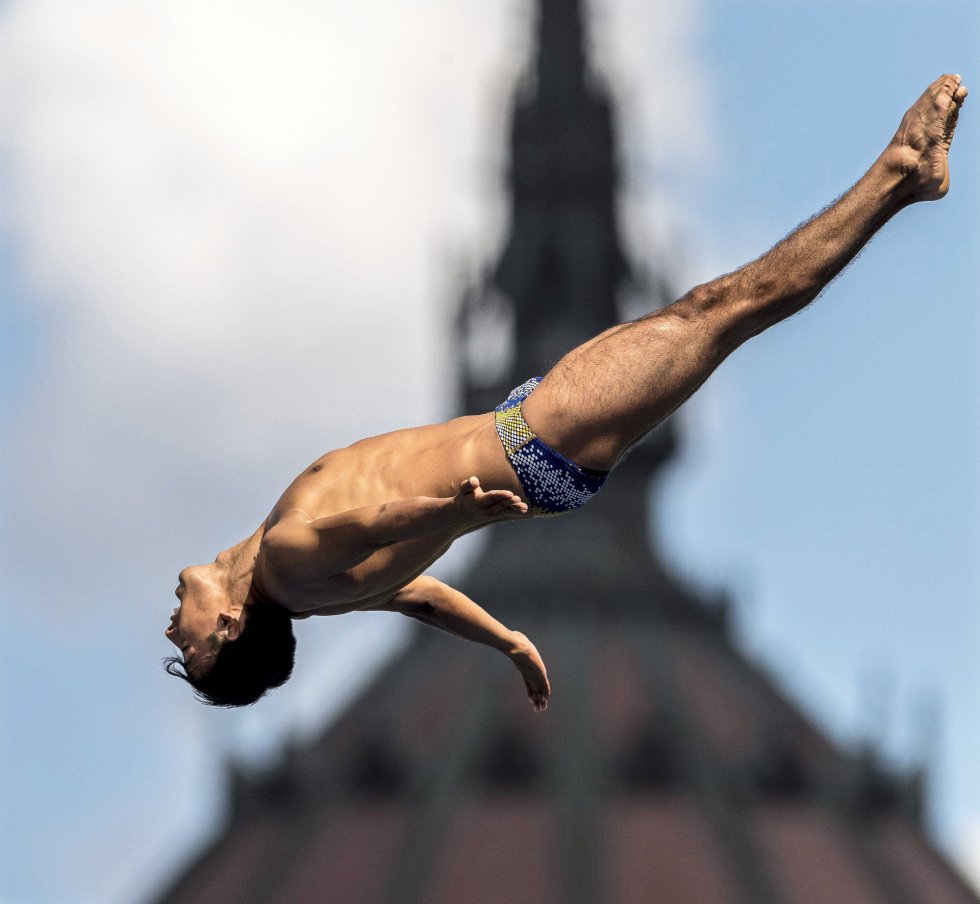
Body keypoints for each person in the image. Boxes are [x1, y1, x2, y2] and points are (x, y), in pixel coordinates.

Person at [165, 74, 968, 711]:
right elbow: (378, 519)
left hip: (524, 435)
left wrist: (507, 641)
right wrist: (462, 506)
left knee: (713, 315)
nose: (175, 628)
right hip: (526, 448)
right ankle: (901, 174)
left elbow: (418, 596)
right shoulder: (286, 558)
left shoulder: (308, 593)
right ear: (232, 627)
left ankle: (901, 180)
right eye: (190, 648)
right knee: (717, 312)